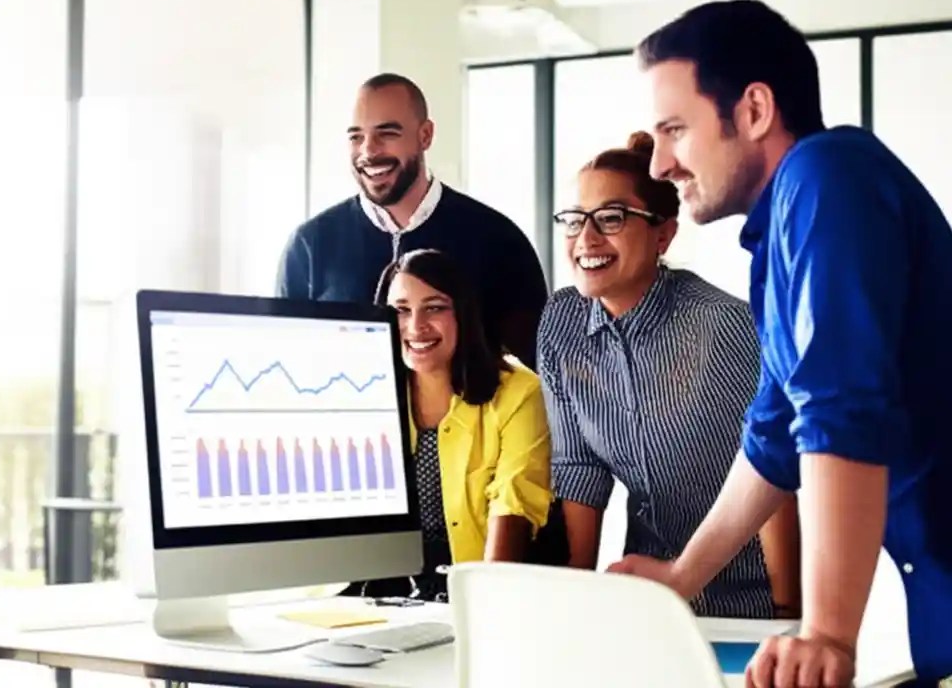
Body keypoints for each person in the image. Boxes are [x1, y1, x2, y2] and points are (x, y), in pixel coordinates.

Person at [607, 0, 952, 686]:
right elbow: (776, 433)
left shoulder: (827, 178)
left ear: (755, 110)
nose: (662, 164)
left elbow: (839, 412)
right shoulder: (785, 228)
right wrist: (683, 576)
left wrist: (826, 634)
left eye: (676, 129)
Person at [537, 131, 801, 620]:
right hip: (648, 598)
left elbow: (774, 477)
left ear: (664, 234)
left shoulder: (723, 327)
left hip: (747, 602)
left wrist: (787, 619)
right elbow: (579, 474)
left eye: (611, 218)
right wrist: (566, 612)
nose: (586, 238)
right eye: (575, 220)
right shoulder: (562, 322)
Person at [276, 73, 549, 368]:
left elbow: (539, 369)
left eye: (387, 133)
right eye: (356, 137)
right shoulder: (310, 246)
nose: (368, 151)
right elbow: (290, 364)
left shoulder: (498, 239)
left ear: (425, 135)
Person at [356, 248, 552, 602]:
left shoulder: (519, 392)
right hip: (383, 599)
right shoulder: (369, 390)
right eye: (401, 310)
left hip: (477, 596)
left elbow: (513, 503)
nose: (416, 326)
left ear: (462, 312)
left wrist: (483, 611)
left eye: (434, 307)